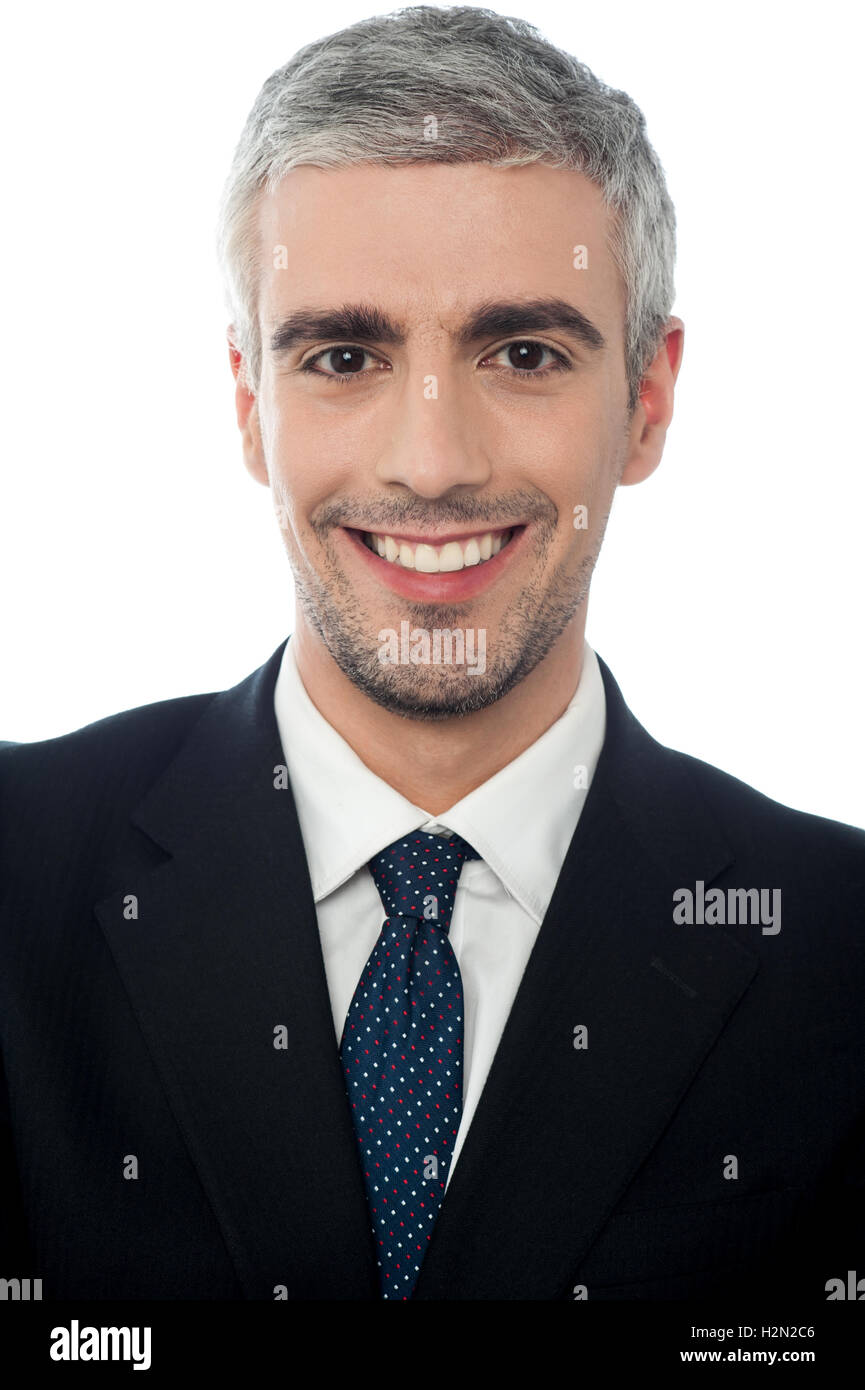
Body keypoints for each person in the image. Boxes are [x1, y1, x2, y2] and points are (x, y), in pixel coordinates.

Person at [1, 5, 863, 1302]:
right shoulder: (14, 872)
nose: (432, 464)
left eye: (521, 353)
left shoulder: (842, 946)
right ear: (250, 408)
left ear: (646, 398)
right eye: (343, 355)